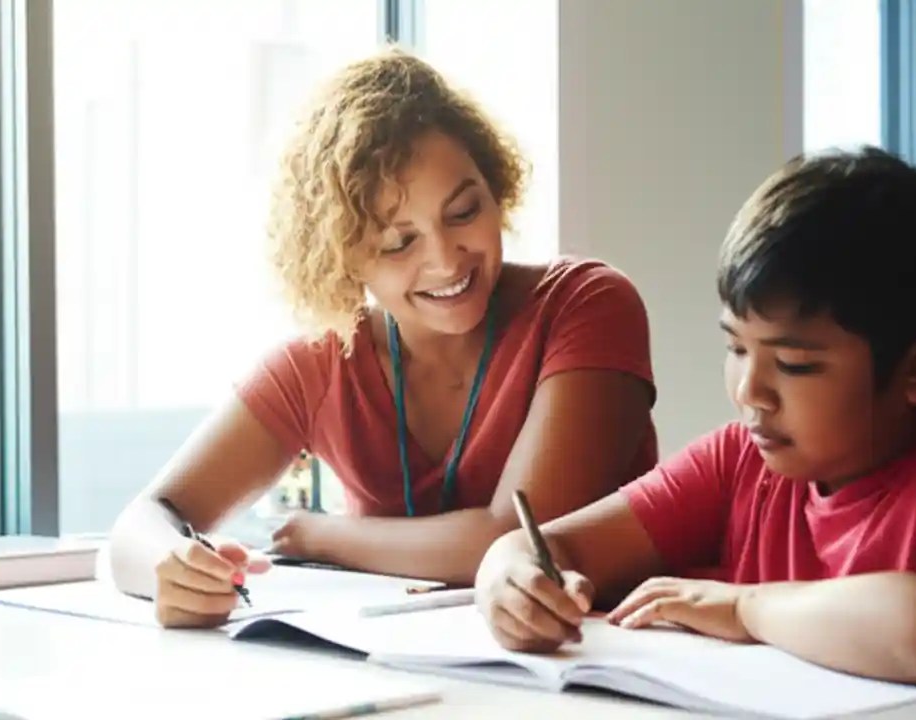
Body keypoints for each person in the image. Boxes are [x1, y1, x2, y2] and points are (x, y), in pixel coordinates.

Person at [107, 48, 659, 628]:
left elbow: (520, 542)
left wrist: (326, 536)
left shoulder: (586, 304)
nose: (446, 260)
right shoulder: (322, 363)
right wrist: (173, 565)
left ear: (496, 188)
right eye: (399, 243)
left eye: (464, 211)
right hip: (411, 672)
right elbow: (138, 526)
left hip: (600, 663)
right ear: (344, 258)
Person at [475, 147, 916, 691]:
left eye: (794, 364)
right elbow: (538, 546)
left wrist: (746, 609)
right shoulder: (738, 462)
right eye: (735, 348)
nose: (749, 391)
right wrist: (509, 580)